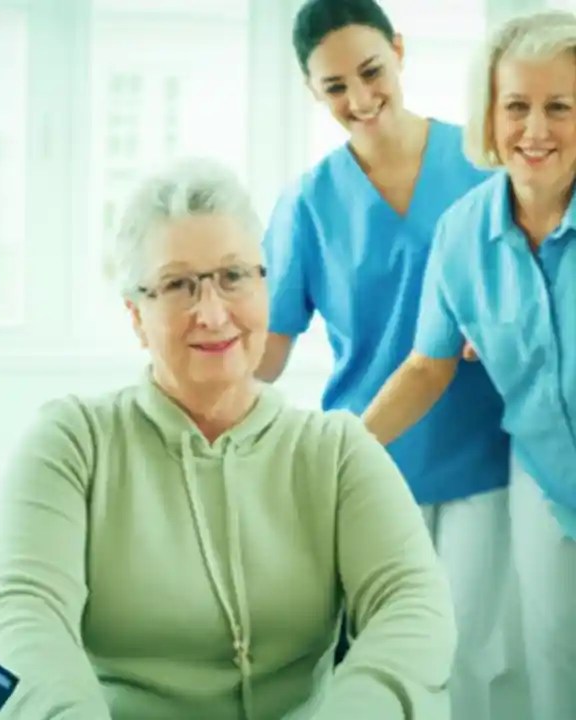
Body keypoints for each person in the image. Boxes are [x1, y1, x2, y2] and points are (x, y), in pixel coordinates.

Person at [0, 157, 456, 719]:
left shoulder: (336, 451)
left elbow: (413, 608)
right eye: (178, 285)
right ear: (136, 315)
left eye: (233, 276)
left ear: (266, 288)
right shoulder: (72, 443)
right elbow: (25, 616)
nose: (212, 312)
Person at [258, 2, 525, 717]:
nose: (360, 98)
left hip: (479, 453)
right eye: (334, 86)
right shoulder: (308, 203)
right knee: (380, 659)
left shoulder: (481, 165)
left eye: (371, 70)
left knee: (469, 653)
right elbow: (269, 353)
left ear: (400, 52)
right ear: (311, 90)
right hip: (369, 458)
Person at [361, 10, 576, 719]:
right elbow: (429, 367)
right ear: (491, 114)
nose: (535, 130)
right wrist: (344, 446)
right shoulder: (464, 233)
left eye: (560, 107)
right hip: (546, 476)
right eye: (517, 106)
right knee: (553, 652)